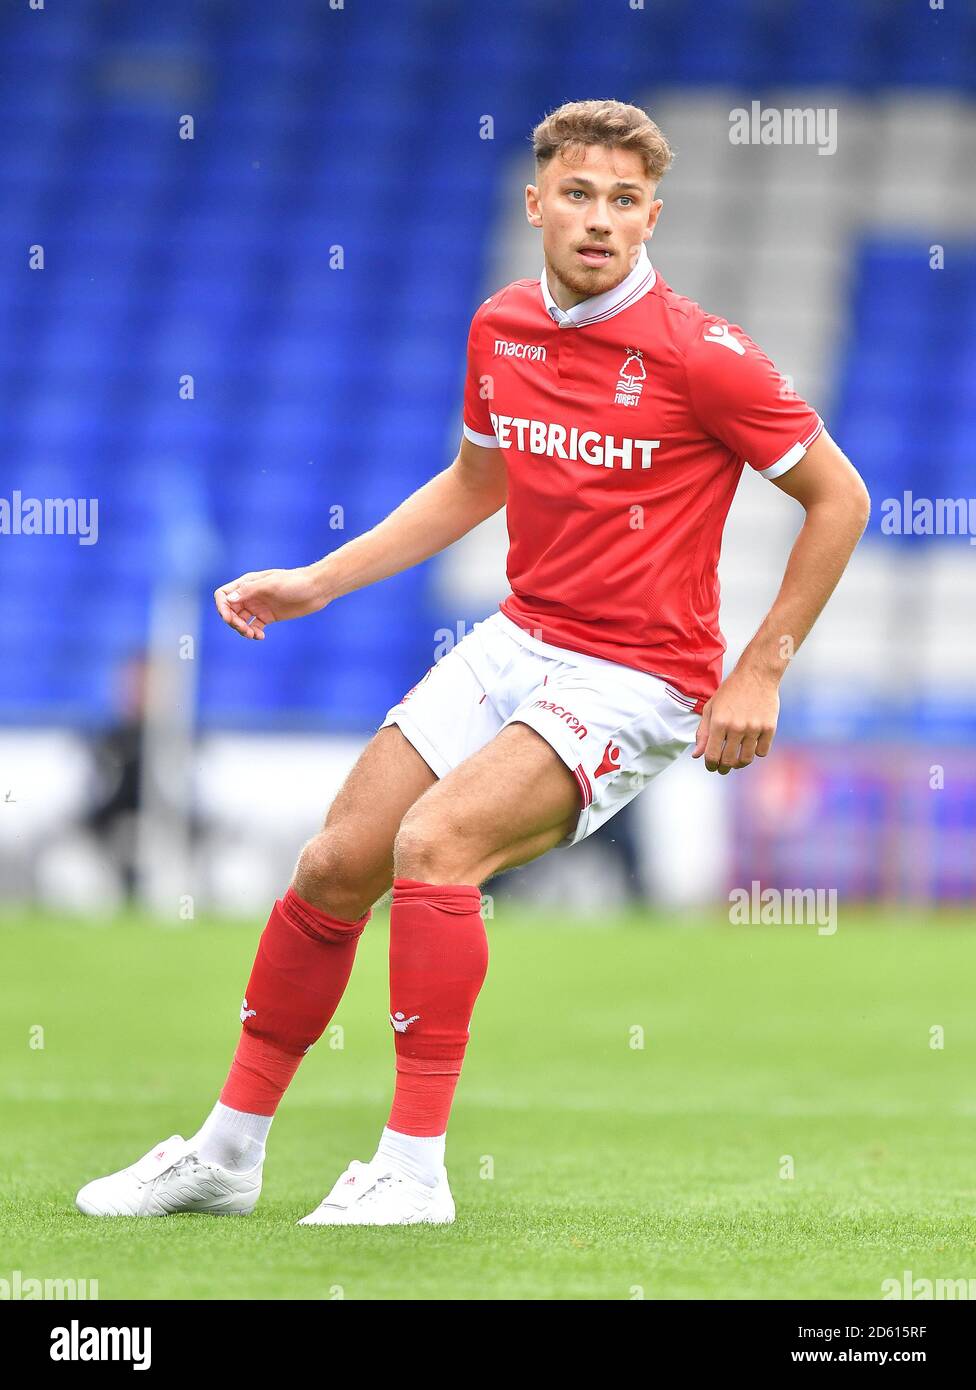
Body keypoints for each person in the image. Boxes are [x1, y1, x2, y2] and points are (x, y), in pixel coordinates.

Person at [76, 98, 870, 1225]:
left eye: (625, 201)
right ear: (537, 202)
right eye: (580, 194)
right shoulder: (501, 327)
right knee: (334, 864)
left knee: (434, 848)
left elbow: (839, 497)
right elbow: (474, 482)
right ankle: (227, 1151)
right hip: (517, 639)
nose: (600, 220)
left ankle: (412, 1170)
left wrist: (762, 668)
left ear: (653, 218)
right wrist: (316, 580)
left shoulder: (707, 359)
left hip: (635, 674)